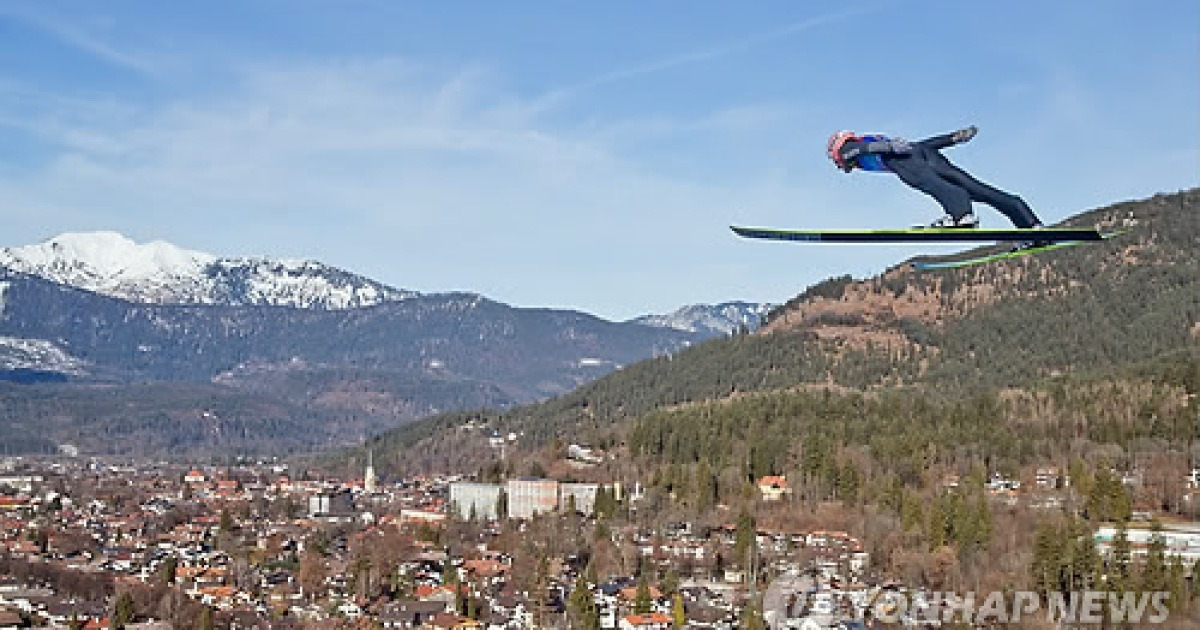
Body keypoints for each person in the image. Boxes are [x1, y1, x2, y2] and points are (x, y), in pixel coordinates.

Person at [827, 127, 1047, 247]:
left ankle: (961, 216)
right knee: (979, 190)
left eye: (835, 160)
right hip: (923, 153)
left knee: (933, 184)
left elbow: (864, 149)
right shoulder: (866, 140)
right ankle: (1031, 225)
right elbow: (917, 146)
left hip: (899, 159)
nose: (840, 165)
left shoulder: (849, 149)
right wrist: (951, 139)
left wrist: (888, 146)